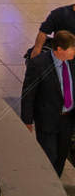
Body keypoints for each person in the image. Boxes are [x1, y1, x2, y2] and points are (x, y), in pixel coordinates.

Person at [22, 30, 75, 176]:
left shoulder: (72, 62)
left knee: (61, 158)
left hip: (68, 119)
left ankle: (55, 184)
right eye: (72, 49)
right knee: (48, 158)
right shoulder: (38, 64)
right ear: (59, 50)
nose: (74, 52)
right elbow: (28, 94)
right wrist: (27, 120)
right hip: (47, 120)